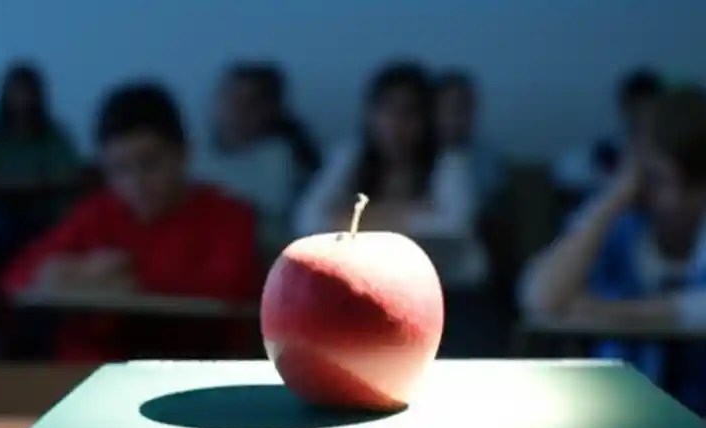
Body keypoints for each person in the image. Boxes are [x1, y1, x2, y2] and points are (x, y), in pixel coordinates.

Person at [521, 87, 706, 416]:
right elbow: (540, 298)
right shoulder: (619, 222)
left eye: (691, 186)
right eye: (661, 181)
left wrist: (611, 314)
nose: (673, 200)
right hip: (612, 415)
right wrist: (615, 197)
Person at [1, 83, 260, 361]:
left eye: (149, 163)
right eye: (119, 169)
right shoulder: (97, 214)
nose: (135, 183)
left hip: (193, 368)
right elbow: (15, 278)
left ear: (184, 154)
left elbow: (231, 287)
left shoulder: (228, 216)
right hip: (89, 374)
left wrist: (123, 277)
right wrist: (77, 273)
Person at [294, 61, 495, 356]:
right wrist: (413, 212)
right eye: (386, 110)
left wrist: (358, 217)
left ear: (427, 118)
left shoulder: (449, 161)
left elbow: (454, 225)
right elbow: (307, 221)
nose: (396, 122)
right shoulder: (350, 157)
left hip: (444, 292)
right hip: (359, 290)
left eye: (409, 112)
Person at [0, 62, 82, 275]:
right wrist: (29, 181)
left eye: (28, 92)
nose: (22, 99)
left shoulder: (55, 138)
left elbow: (68, 177)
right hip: (0, 218)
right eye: (16, 92)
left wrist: (17, 182)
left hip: (46, 214)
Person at [194, 64, 303, 260]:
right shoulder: (193, 150)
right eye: (232, 98)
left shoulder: (282, 155)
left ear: (271, 109)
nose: (238, 109)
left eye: (252, 102)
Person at [554, 68, 665, 192]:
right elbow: (566, 170)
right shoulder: (605, 151)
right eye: (637, 105)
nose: (644, 113)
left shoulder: (673, 151)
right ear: (624, 107)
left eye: (650, 106)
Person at [434, 69, 505, 204]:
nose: (455, 118)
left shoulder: (487, 154)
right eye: (448, 108)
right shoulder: (416, 151)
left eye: (464, 109)